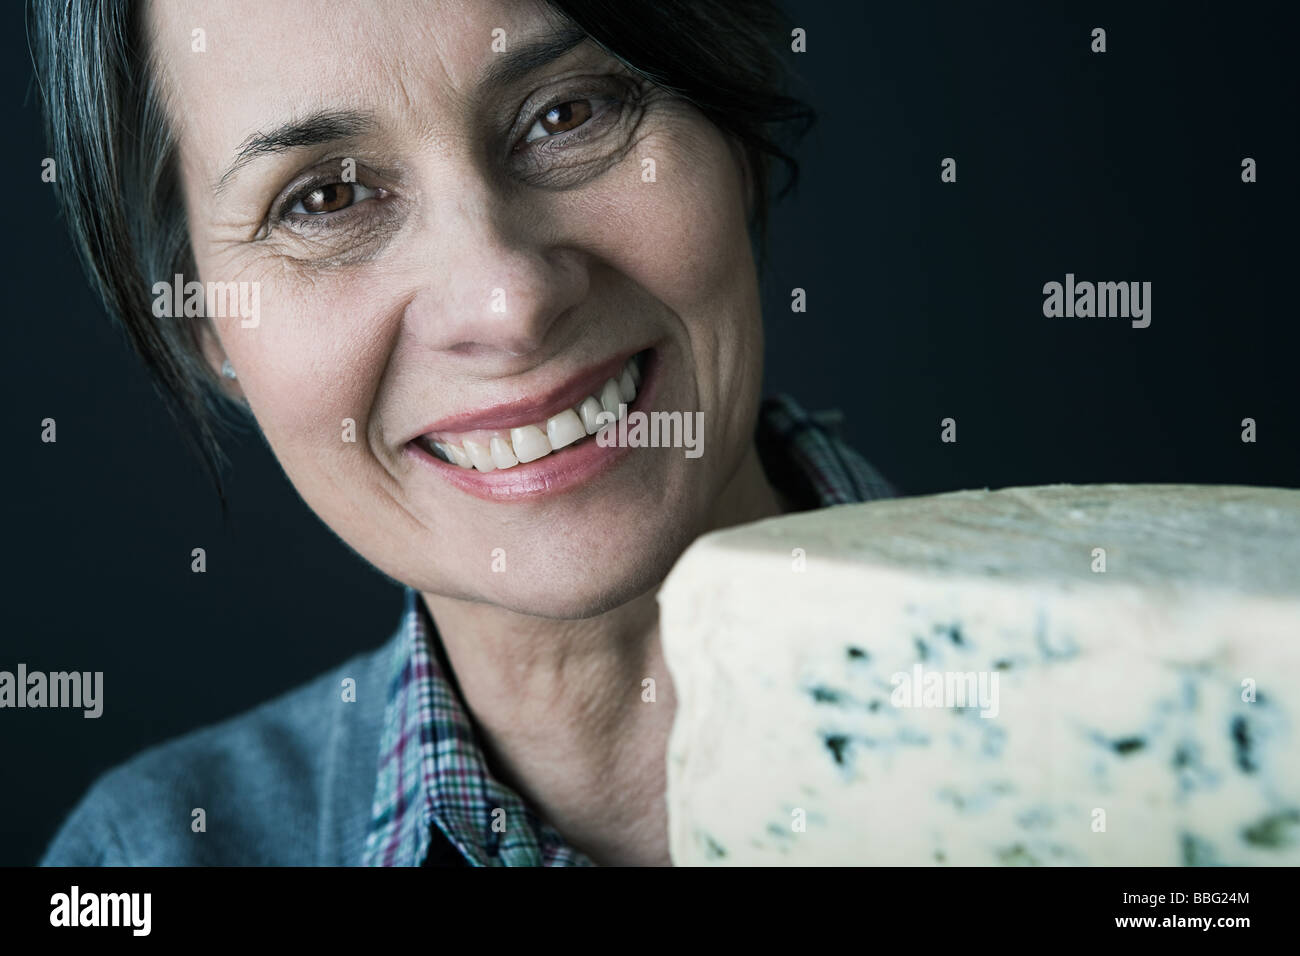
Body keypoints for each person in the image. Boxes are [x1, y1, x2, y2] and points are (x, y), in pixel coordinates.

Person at [33, 0, 894, 866]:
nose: (508, 301)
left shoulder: (1035, 708)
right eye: (325, 200)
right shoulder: (137, 862)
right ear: (209, 331)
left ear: (731, 134)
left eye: (567, 113)